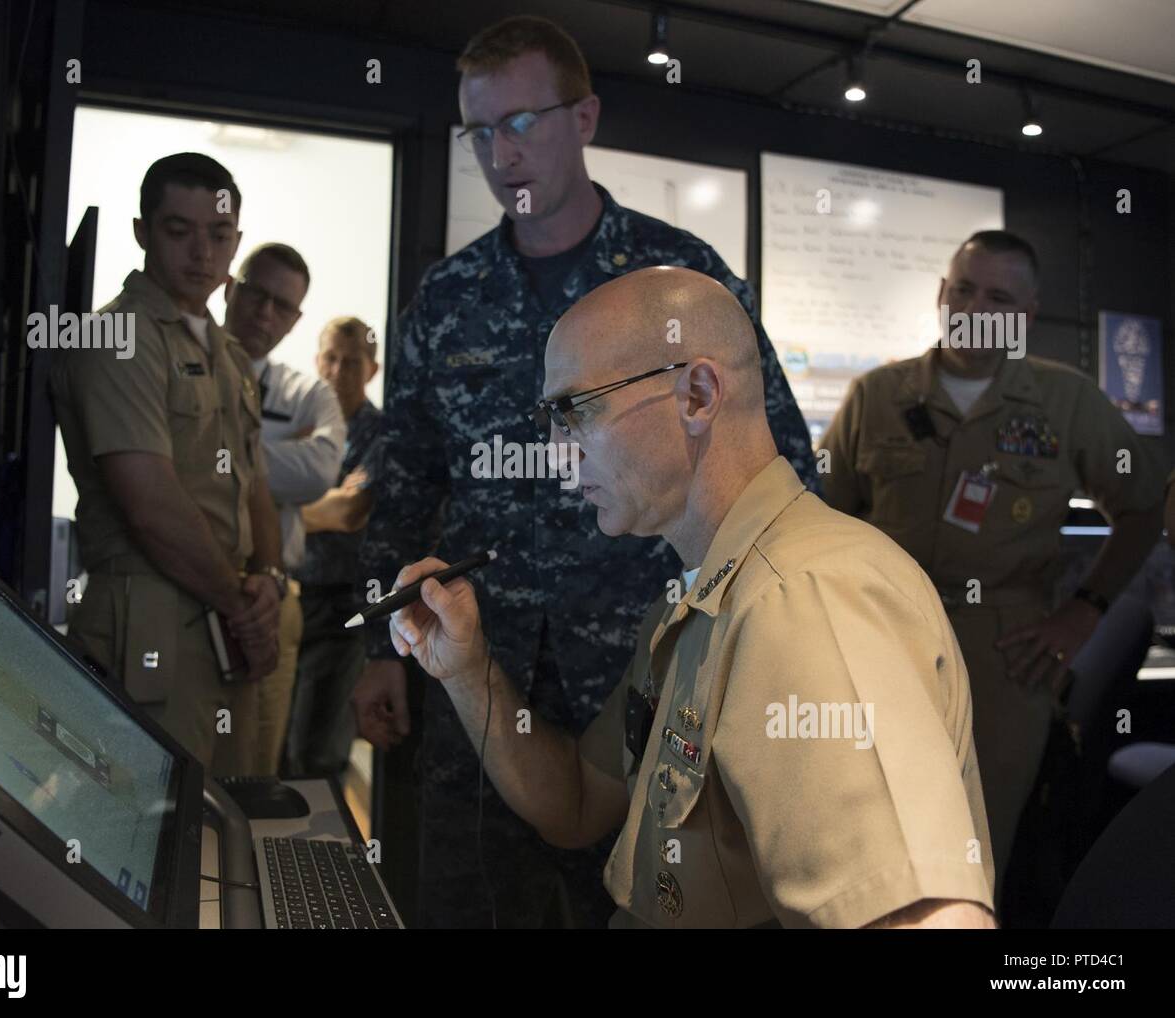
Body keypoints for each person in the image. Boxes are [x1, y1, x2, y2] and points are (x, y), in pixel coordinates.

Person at [355, 14, 816, 929]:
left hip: (644, 676)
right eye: (480, 131)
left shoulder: (681, 281)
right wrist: (379, 645)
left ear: (585, 117)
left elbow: (780, 469)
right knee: (470, 905)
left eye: (522, 121)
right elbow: (402, 481)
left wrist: (754, 654)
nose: (501, 153)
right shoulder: (447, 301)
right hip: (482, 673)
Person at [383, 266, 995, 928]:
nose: (557, 453)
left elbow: (932, 920)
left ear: (698, 395)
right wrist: (467, 670)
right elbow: (579, 803)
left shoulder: (806, 597)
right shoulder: (708, 598)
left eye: (575, 410)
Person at [818, 230, 1166, 895]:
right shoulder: (878, 395)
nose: (975, 306)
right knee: (858, 844)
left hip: (1005, 656)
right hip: (879, 640)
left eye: (999, 295)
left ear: (1027, 314)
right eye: (963, 288)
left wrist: (1083, 613)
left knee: (969, 856)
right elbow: (822, 519)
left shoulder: (1064, 402)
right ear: (941, 293)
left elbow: (1146, 507)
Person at [50, 152, 284, 775]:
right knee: (151, 828)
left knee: (231, 820)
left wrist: (268, 578)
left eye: (219, 235)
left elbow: (253, 483)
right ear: (142, 233)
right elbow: (150, 503)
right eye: (179, 231)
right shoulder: (117, 337)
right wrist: (242, 603)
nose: (202, 252)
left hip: (227, 617)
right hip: (148, 619)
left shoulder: (227, 351)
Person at [221, 242, 346, 776]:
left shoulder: (306, 394)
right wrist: (274, 455)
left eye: (281, 305)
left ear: (295, 319)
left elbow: (320, 471)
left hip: (274, 597)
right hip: (191, 587)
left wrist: (230, 455)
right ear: (231, 288)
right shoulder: (181, 368)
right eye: (255, 294)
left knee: (254, 765)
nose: (264, 312)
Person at [284, 317, 387, 777]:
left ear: (372, 369)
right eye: (330, 358)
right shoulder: (298, 431)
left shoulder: (383, 436)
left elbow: (348, 511)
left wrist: (282, 512)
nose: (338, 370)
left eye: (352, 362)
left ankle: (321, 850)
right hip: (285, 607)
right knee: (273, 753)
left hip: (343, 615)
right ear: (316, 361)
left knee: (315, 755)